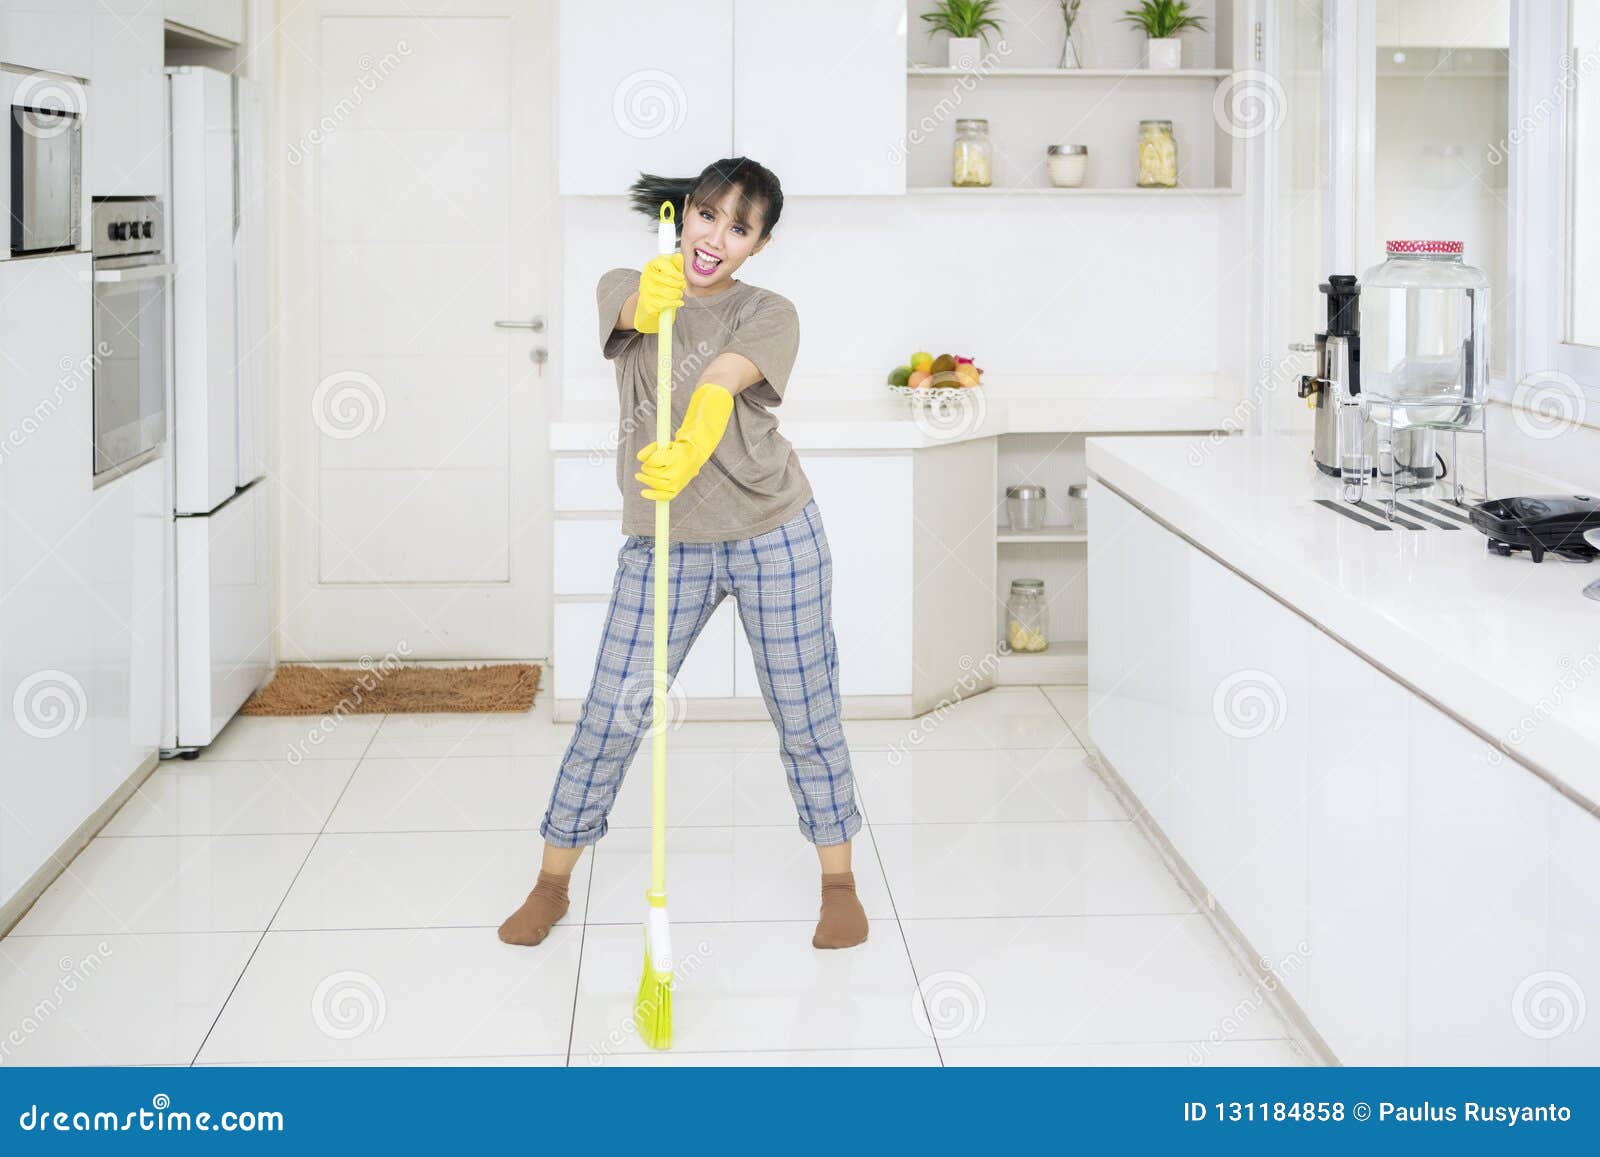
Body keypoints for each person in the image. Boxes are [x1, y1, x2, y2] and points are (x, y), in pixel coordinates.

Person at [498, 157, 867, 952]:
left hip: (776, 531)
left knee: (805, 713)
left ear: (758, 245)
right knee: (608, 715)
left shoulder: (771, 310)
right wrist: (647, 300)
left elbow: (722, 381)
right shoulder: (623, 285)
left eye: (740, 228)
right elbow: (627, 311)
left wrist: (698, 433)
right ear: (683, 213)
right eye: (707, 216)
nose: (716, 237)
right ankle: (551, 880)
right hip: (667, 543)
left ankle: (838, 879)